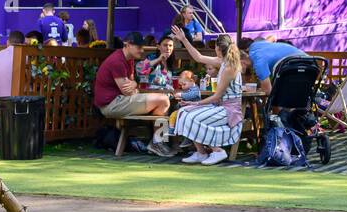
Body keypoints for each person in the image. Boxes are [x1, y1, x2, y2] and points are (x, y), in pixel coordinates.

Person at [172, 38, 244, 166]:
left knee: (192, 117)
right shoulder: (222, 61)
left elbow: (217, 96)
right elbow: (198, 57)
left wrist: (196, 103)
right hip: (220, 107)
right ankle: (201, 153)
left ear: (218, 49)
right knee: (183, 112)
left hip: (229, 111)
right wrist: (184, 39)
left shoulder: (229, 68)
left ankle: (218, 151)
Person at [93, 32, 169, 132]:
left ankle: (157, 141)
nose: (142, 50)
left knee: (162, 100)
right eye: (139, 47)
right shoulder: (117, 61)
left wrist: (134, 84)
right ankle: (158, 143)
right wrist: (134, 86)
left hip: (118, 100)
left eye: (142, 47)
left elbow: (132, 83)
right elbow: (128, 92)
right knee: (163, 100)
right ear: (128, 45)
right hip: (111, 105)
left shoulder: (129, 59)